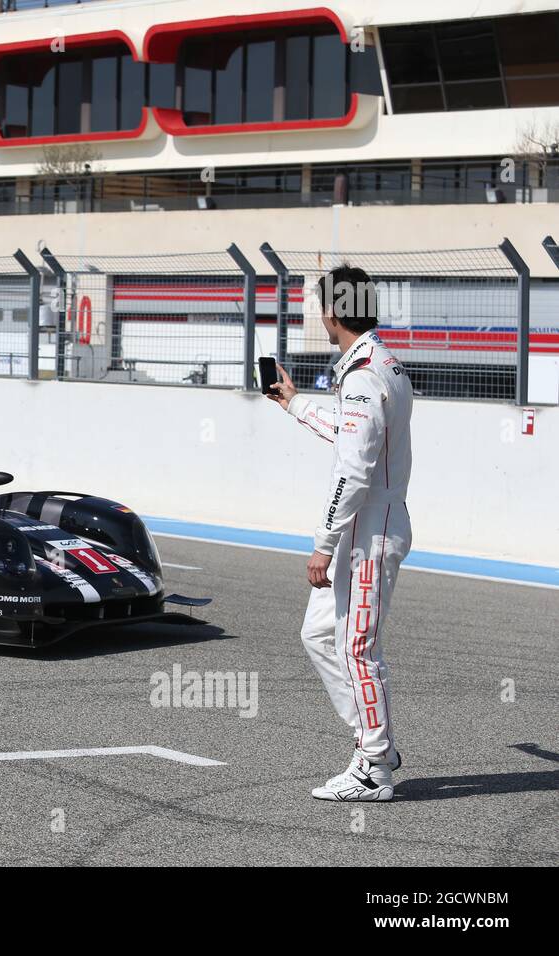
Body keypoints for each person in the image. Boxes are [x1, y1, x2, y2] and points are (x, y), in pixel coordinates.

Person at [267, 265, 412, 802]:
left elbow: (353, 471)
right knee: (319, 636)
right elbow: (355, 442)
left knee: (357, 649)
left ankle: (374, 766)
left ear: (332, 313)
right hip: (366, 526)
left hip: (368, 534)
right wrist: (296, 404)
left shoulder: (365, 374)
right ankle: (375, 743)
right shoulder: (379, 365)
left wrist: (322, 545)